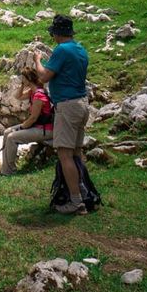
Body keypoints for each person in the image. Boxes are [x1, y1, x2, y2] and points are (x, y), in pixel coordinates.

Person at [33, 16, 90, 213]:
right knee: (76, 152)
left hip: (67, 105)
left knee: (64, 154)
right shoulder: (80, 49)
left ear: (56, 33)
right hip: (82, 103)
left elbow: (43, 76)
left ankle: (76, 201)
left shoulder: (62, 50)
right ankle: (84, 191)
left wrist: (38, 61)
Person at [0, 68, 54, 175]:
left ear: (28, 78)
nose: (21, 80)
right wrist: (22, 85)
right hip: (37, 126)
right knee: (7, 132)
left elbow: (33, 118)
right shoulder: (32, 92)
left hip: (45, 129)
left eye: (23, 78)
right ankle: (5, 168)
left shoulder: (38, 95)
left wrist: (21, 127)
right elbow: (18, 96)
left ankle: (9, 171)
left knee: (11, 137)